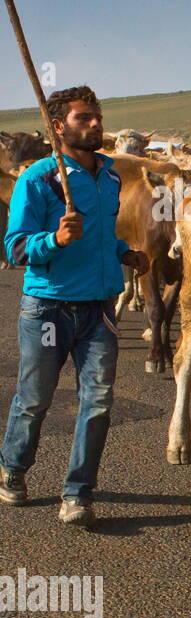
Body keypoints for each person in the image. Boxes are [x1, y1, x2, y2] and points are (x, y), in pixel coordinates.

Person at [0, 86, 149, 525]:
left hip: (100, 308)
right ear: (58, 127)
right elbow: (15, 249)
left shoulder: (111, 175)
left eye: (97, 116)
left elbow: (102, 233)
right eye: (84, 118)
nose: (96, 124)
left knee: (99, 401)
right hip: (49, 308)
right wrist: (55, 239)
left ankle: (78, 492)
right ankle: (12, 469)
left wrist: (124, 252)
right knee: (35, 399)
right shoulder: (40, 179)